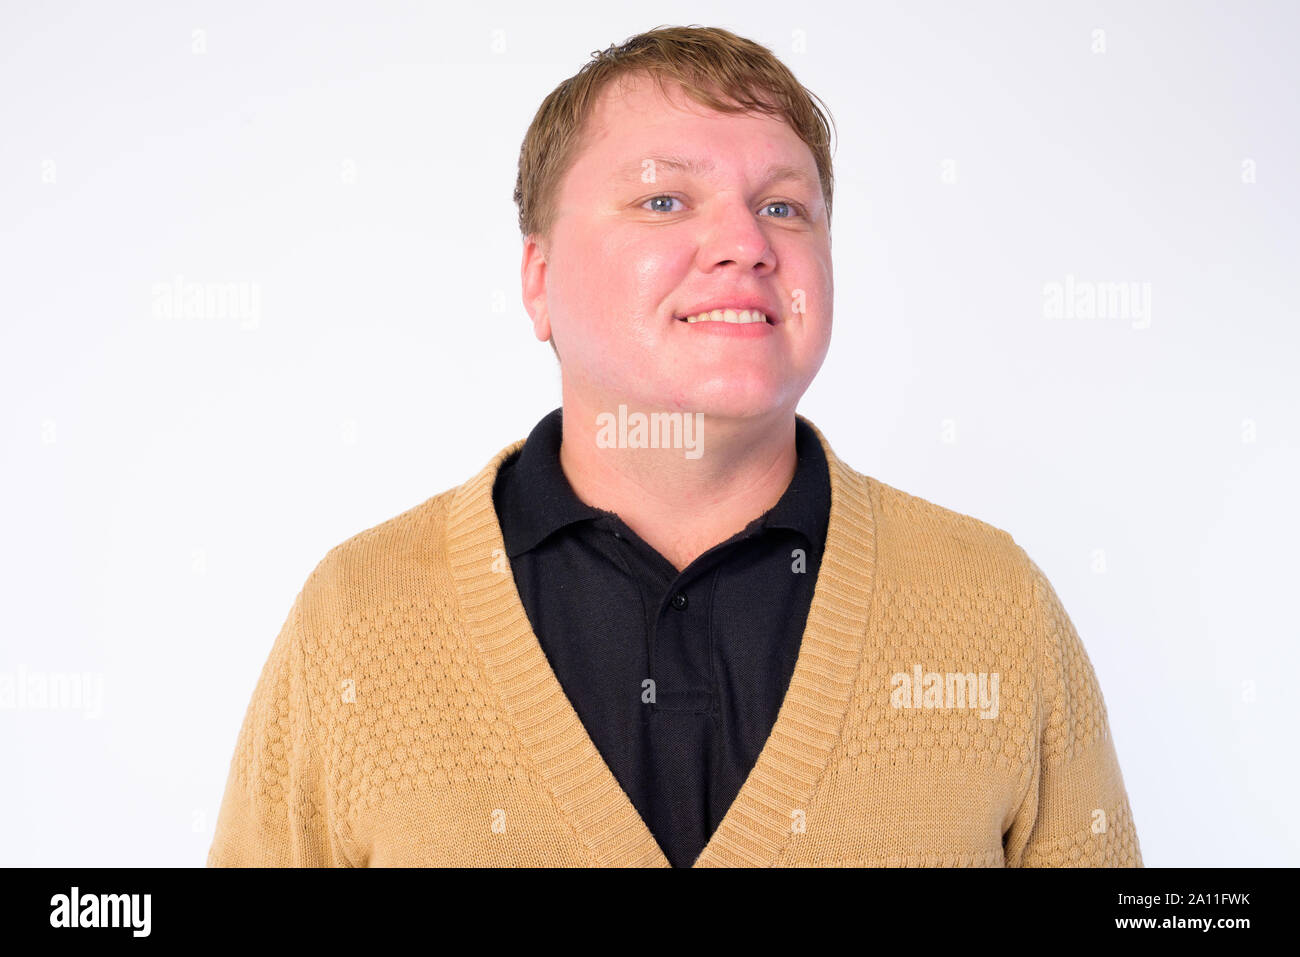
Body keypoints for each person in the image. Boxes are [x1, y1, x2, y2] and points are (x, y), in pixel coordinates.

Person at [207, 24, 1142, 867]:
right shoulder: (358, 617)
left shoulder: (995, 606)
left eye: (784, 207)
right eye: (663, 201)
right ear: (537, 280)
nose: (745, 242)